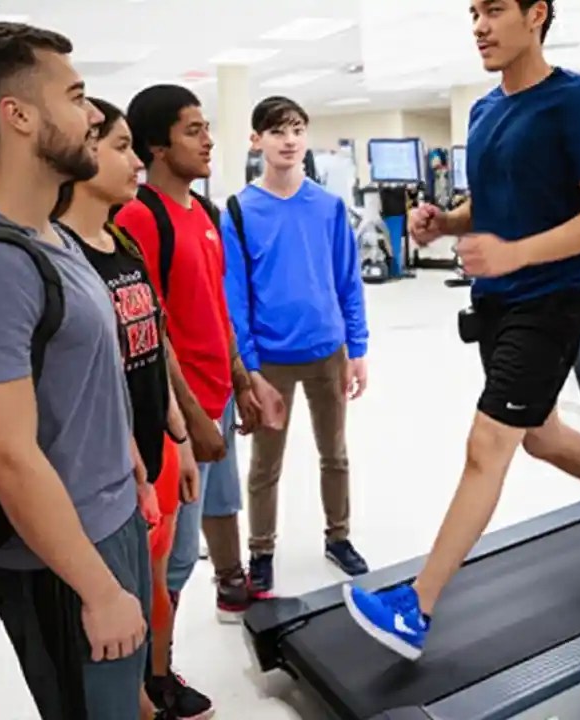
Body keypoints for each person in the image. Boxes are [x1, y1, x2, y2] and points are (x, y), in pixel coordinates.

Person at [343, 0, 580, 660]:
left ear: (536, 14)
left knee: (488, 441)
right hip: (498, 297)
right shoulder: (485, 109)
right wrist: (448, 223)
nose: (478, 24)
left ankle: (417, 606)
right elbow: (497, 206)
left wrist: (518, 253)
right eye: (472, 11)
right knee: (540, 436)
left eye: (494, 9)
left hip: (554, 295)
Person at [0, 23, 150, 719]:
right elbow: (6, 455)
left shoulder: (50, 233)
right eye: (77, 97)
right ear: (18, 115)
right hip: (64, 562)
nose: (92, 116)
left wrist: (130, 467)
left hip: (108, 524)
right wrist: (99, 590)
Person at [53, 96, 214, 720]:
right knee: (130, 596)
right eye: (118, 147)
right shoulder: (63, 254)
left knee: (162, 587)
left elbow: (155, 339)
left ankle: (159, 677)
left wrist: (178, 431)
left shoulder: (121, 241)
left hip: (157, 447)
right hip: (116, 469)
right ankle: (144, 692)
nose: (133, 162)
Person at [115, 84, 284, 624]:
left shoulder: (205, 213)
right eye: (194, 130)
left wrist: (240, 382)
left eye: (207, 127)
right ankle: (156, 676)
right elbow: (153, 329)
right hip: (178, 412)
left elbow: (216, 307)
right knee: (174, 554)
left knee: (219, 505)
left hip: (217, 396)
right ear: (156, 147)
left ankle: (229, 586)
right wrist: (192, 419)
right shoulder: (140, 218)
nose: (209, 140)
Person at [221, 95, 370, 597]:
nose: (289, 140)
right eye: (278, 131)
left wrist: (358, 348)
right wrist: (251, 370)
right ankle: (260, 551)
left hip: (328, 351)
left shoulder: (327, 208)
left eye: (298, 130)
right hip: (271, 362)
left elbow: (348, 282)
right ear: (256, 139)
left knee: (336, 454)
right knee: (266, 465)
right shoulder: (240, 212)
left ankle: (339, 537)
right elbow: (235, 299)